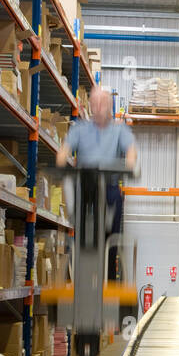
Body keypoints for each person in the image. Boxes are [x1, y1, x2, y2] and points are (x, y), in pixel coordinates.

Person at [57, 88, 137, 279]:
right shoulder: (79, 128)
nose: (98, 107)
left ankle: (109, 275)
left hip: (109, 186)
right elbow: (64, 151)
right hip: (85, 187)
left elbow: (131, 151)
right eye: (94, 103)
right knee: (82, 229)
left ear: (110, 106)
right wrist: (61, 162)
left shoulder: (120, 130)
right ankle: (80, 272)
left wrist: (130, 164)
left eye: (102, 103)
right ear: (90, 105)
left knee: (111, 231)